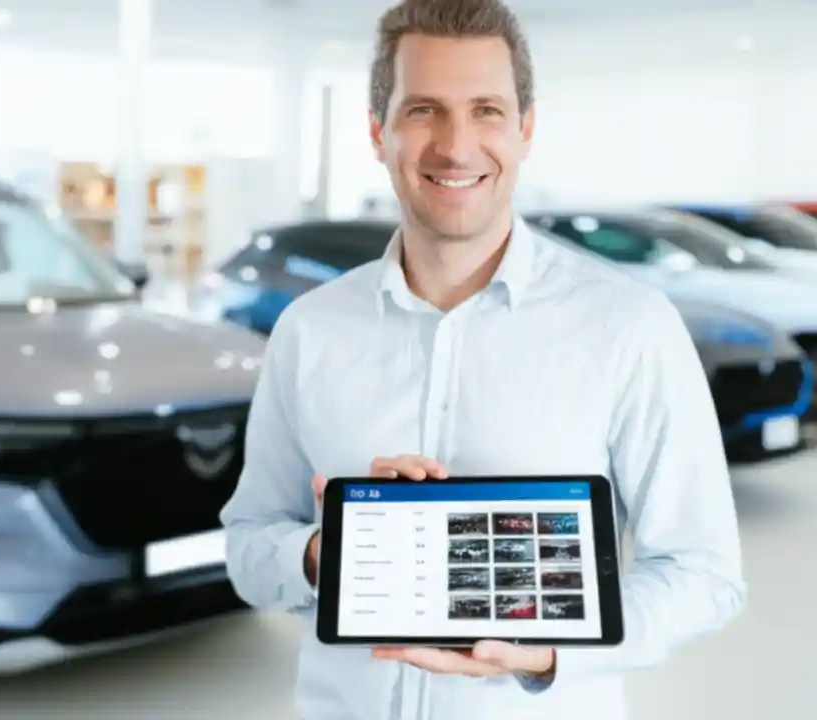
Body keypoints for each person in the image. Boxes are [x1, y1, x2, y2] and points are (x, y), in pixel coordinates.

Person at [218, 0, 747, 717]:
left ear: (526, 128)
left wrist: (556, 650)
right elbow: (249, 547)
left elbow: (704, 573)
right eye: (424, 110)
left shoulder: (629, 326)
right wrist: (332, 550)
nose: (456, 146)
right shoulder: (309, 331)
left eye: (487, 110)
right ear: (379, 132)